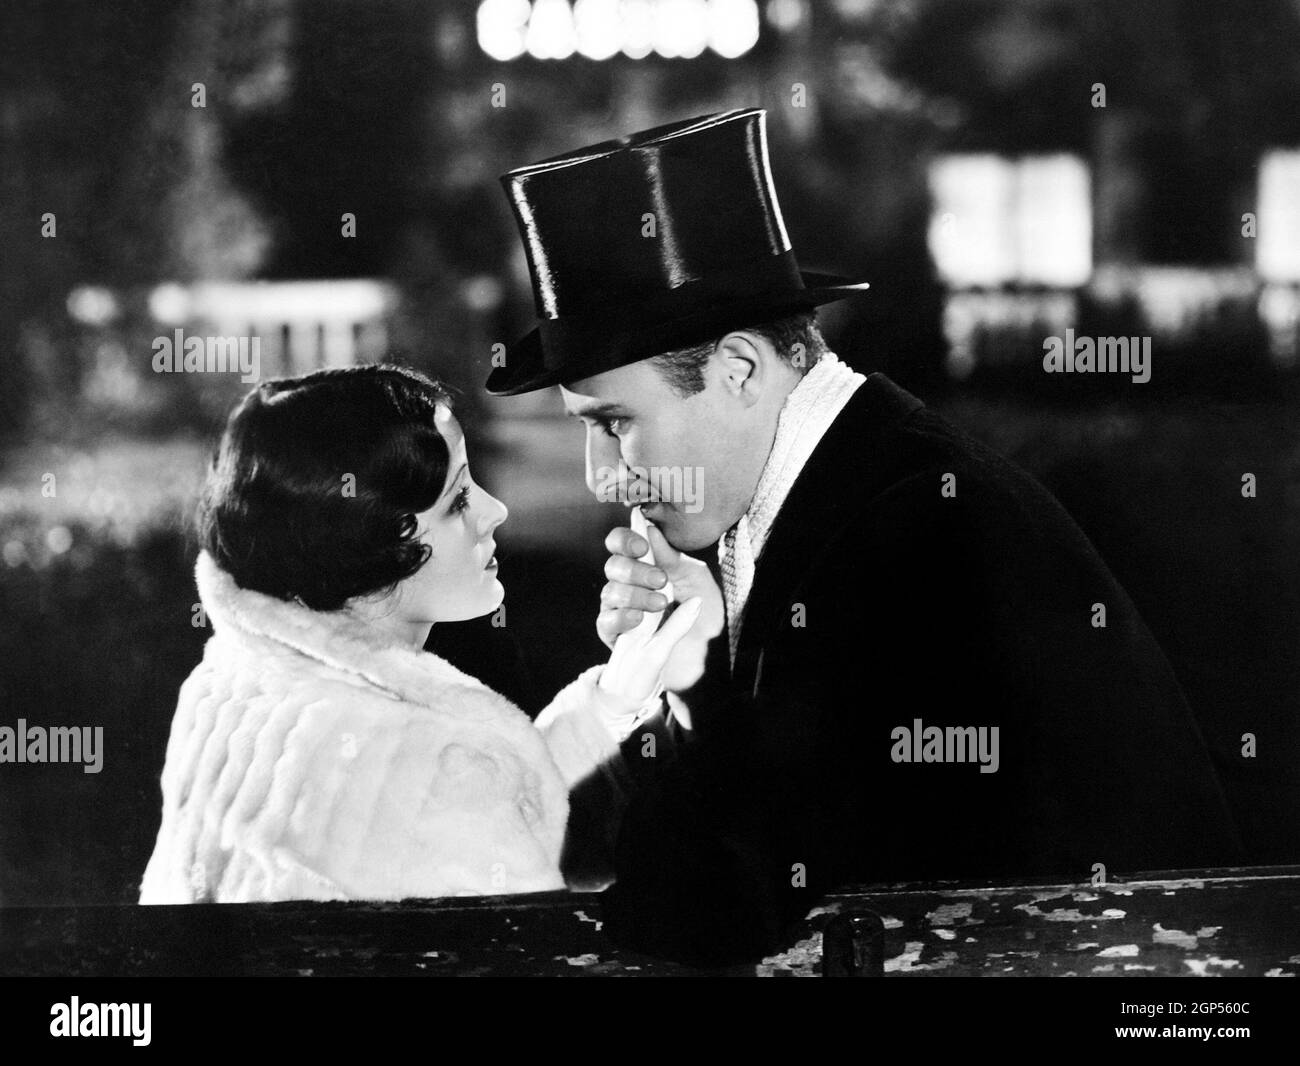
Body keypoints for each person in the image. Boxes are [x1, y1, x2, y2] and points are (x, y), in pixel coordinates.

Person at [487, 108, 1244, 964]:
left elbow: (716, 912)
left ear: (740, 369)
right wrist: (681, 672)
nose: (603, 475)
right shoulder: (863, 488)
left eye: (615, 423)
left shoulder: (910, 536)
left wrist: (692, 686)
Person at [140, 364, 698, 904]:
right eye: (458, 500)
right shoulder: (435, 772)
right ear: (376, 540)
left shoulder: (229, 686)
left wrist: (611, 701)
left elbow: (474, 800)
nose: (495, 511)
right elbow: (508, 896)